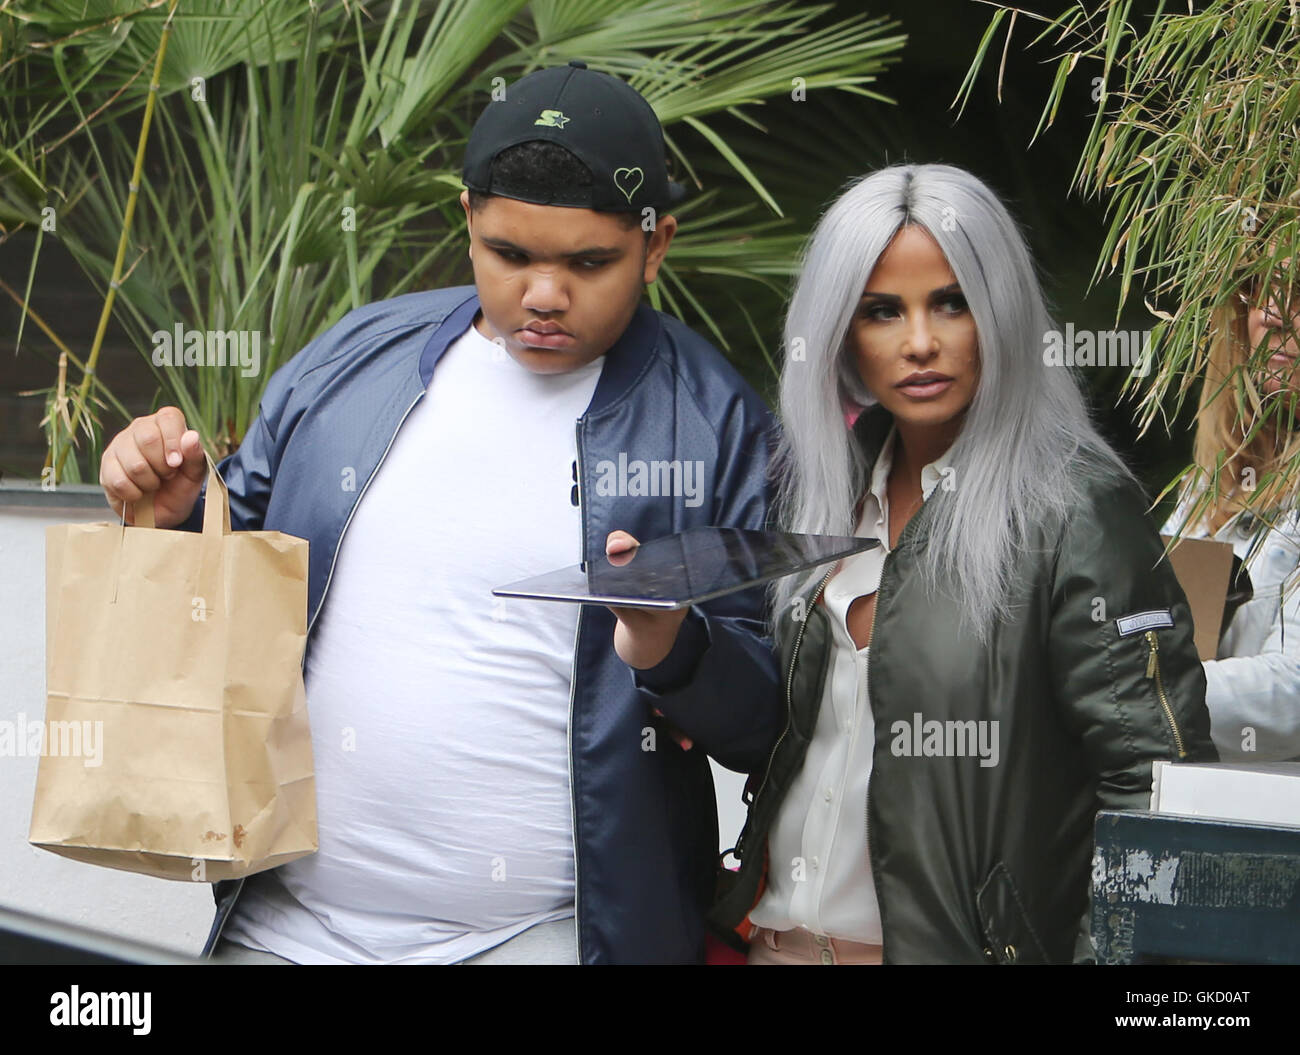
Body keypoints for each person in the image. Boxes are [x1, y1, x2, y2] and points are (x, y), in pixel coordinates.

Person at [97, 61, 781, 964]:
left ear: (655, 246)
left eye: (588, 262)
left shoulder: (716, 422)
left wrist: (671, 646)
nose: (544, 293)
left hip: (546, 939)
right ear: (467, 223)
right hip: (278, 928)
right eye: (512, 254)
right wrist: (179, 515)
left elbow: (766, 723)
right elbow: (227, 586)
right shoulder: (353, 356)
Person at [709, 163, 1217, 965]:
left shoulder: (1077, 510)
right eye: (883, 310)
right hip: (776, 946)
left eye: (951, 301)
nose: (920, 342)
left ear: (1003, 313)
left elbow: (1158, 791)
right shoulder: (824, 495)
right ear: (841, 331)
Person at [1161, 257, 1300, 761]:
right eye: (1264, 286)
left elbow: (1296, 696)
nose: (1275, 313)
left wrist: (1143, 693)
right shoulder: (1207, 485)